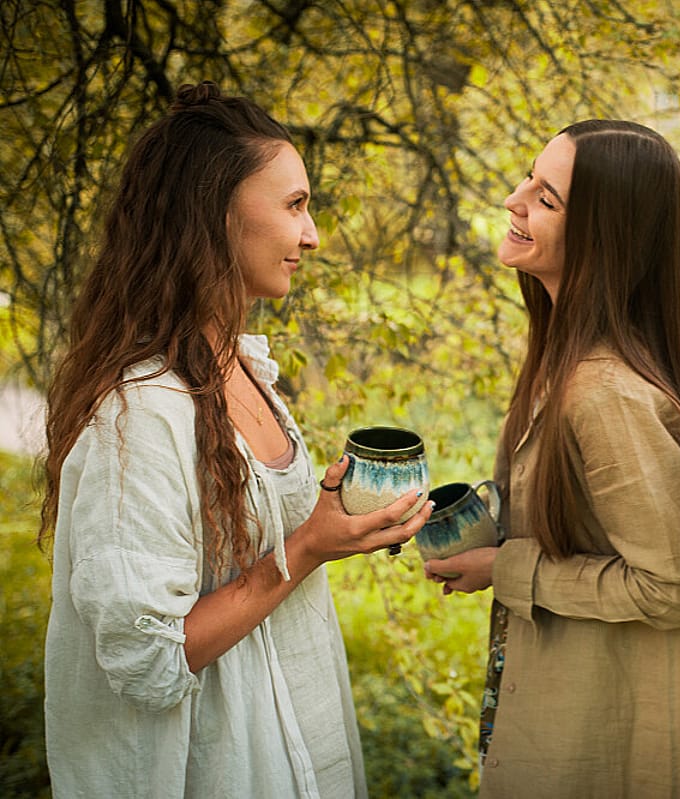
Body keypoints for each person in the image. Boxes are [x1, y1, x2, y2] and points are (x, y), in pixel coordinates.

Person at [39, 82, 433, 797]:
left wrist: (338, 525)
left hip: (295, 753)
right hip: (212, 771)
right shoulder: (139, 413)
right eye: (294, 205)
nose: (311, 235)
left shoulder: (245, 368)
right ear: (215, 215)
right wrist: (309, 544)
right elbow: (150, 660)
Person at [424, 119, 680, 798]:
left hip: (598, 753)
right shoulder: (561, 364)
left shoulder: (606, 393)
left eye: (546, 198)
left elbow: (677, 588)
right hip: (553, 723)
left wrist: (509, 567)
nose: (513, 199)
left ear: (602, 236)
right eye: (529, 177)